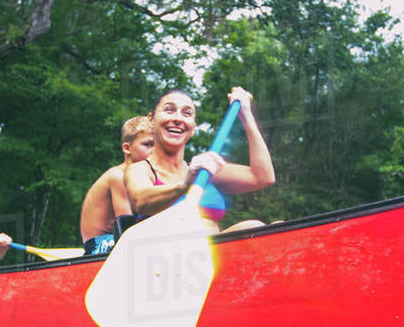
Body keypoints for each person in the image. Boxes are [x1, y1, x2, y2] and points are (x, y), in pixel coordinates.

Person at [125, 86, 275, 232]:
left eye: (187, 113)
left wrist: (246, 115)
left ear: (193, 127)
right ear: (151, 119)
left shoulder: (205, 170)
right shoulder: (140, 169)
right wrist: (185, 185)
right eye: (169, 110)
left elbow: (262, 176)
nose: (178, 118)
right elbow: (141, 201)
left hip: (213, 251)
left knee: (256, 226)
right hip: (167, 251)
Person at [80, 115, 156, 255]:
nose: (154, 151)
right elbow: (128, 225)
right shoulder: (119, 176)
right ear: (127, 148)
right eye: (148, 144)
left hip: (115, 238)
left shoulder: (144, 176)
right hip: (99, 243)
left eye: (158, 146)